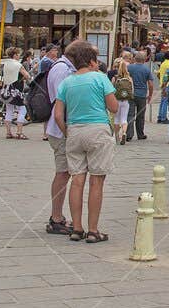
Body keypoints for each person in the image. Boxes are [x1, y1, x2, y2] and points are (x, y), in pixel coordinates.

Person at [51, 40, 118, 244]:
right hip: (97, 130)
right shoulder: (100, 78)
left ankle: (77, 228)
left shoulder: (67, 82)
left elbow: (57, 115)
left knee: (77, 180)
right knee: (96, 180)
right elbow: (114, 107)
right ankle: (93, 230)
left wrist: (67, 132)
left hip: (75, 132)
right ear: (91, 61)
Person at [41, 42, 78, 234]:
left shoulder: (60, 67)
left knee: (64, 172)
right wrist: (67, 131)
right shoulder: (64, 71)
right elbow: (61, 104)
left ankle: (58, 216)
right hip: (60, 128)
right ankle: (56, 218)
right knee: (63, 172)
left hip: (57, 128)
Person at [127, 48, 152, 141]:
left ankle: (129, 134)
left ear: (135, 58)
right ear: (144, 59)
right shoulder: (146, 69)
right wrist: (150, 95)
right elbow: (150, 83)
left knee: (130, 114)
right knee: (140, 115)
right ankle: (140, 134)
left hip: (131, 94)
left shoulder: (129, 67)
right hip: (142, 95)